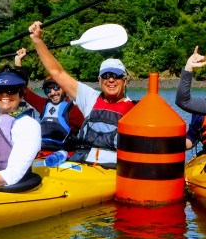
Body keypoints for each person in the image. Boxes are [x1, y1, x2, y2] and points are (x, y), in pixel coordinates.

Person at [28, 20, 135, 152]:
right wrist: (37, 40)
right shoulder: (90, 98)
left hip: (115, 168)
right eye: (106, 76)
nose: (111, 80)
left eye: (117, 75)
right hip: (86, 164)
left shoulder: (135, 110)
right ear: (99, 80)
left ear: (126, 80)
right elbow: (58, 73)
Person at [14, 48, 84, 150]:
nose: (53, 93)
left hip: (65, 153)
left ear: (64, 88)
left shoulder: (74, 109)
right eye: (48, 90)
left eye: (56, 87)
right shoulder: (43, 104)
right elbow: (22, 89)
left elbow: (86, 131)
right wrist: (18, 62)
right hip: (43, 151)